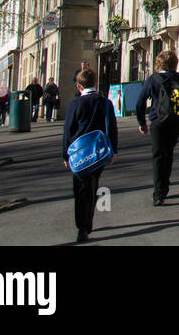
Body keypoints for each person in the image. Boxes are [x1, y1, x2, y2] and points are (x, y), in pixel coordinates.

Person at [61, 67, 118, 244]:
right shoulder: (105, 103)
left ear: (79, 86)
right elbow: (112, 128)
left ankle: (82, 227)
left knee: (80, 189)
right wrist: (113, 150)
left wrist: (65, 155)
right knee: (93, 185)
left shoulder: (75, 104)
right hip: (99, 152)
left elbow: (68, 130)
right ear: (96, 83)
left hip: (79, 153)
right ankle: (88, 221)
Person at [135, 50, 179, 206]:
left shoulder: (153, 79)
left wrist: (141, 122)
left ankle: (158, 193)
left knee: (158, 155)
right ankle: (165, 187)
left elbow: (140, 102)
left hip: (158, 120)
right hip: (175, 120)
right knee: (168, 152)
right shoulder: (178, 78)